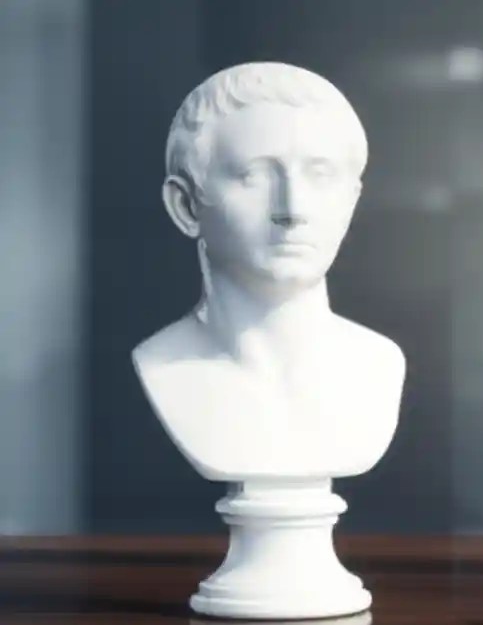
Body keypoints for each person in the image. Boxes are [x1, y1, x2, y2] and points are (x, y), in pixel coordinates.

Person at [133, 62, 405, 482]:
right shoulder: (163, 366)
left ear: (350, 201)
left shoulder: (377, 366)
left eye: (320, 175)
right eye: (255, 175)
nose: (293, 209)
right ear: (186, 206)